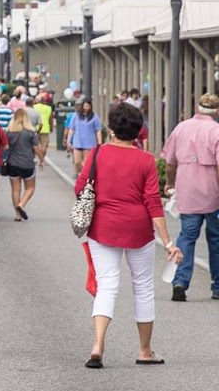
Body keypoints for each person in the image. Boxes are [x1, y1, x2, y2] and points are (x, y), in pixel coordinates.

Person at [75, 101, 180, 368]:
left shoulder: (98, 154)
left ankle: (98, 344)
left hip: (103, 227)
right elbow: (153, 203)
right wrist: (167, 242)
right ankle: (144, 350)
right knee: (143, 287)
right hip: (138, 230)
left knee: (107, 285)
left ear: (111, 129)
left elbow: (80, 188)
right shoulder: (145, 160)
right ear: (138, 132)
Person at [161, 93, 219, 302]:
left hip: (187, 191)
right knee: (217, 239)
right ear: (218, 111)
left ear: (196, 107)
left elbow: (170, 163)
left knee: (186, 237)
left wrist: (170, 183)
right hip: (213, 193)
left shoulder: (181, 128)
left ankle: (180, 281)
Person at [3, 107, 40, 221]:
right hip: (27, 163)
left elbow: (5, 148)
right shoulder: (30, 132)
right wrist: (42, 159)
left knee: (15, 189)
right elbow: (36, 148)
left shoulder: (9, 132)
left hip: (12, 164)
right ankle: (21, 204)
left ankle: (17, 215)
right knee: (30, 188)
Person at [66, 99, 102, 176]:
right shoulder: (76, 116)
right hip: (78, 142)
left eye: (88, 106)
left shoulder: (94, 117)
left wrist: (99, 142)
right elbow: (71, 129)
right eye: (85, 106)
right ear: (82, 106)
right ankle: (82, 173)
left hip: (89, 143)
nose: (86, 108)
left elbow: (98, 130)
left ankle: (84, 176)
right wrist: (68, 140)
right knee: (77, 162)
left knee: (86, 163)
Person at [32, 92, 54, 170]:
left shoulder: (34, 107)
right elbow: (50, 120)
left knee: (34, 144)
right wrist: (51, 128)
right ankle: (42, 158)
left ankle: (34, 157)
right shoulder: (49, 108)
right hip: (45, 128)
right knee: (44, 145)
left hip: (35, 128)